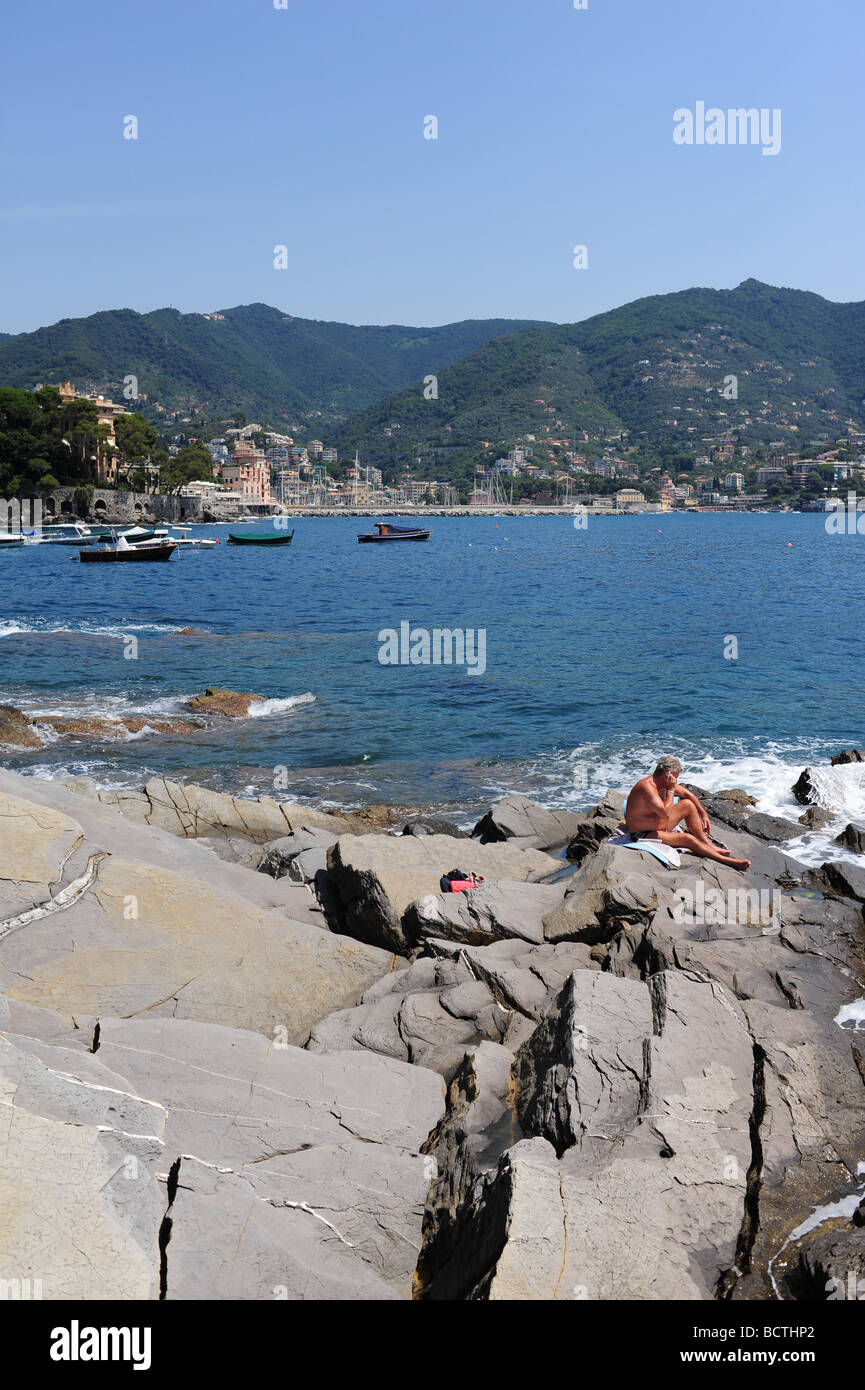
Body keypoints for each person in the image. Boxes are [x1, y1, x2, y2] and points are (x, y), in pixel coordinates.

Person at [625, 756, 750, 870]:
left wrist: (703, 814)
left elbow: (686, 794)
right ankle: (727, 861)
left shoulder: (663, 782)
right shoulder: (647, 787)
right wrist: (671, 789)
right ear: (668, 774)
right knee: (687, 839)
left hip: (659, 824)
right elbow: (665, 814)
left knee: (688, 805)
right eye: (676, 777)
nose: (676, 780)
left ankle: (707, 844)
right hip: (643, 834)